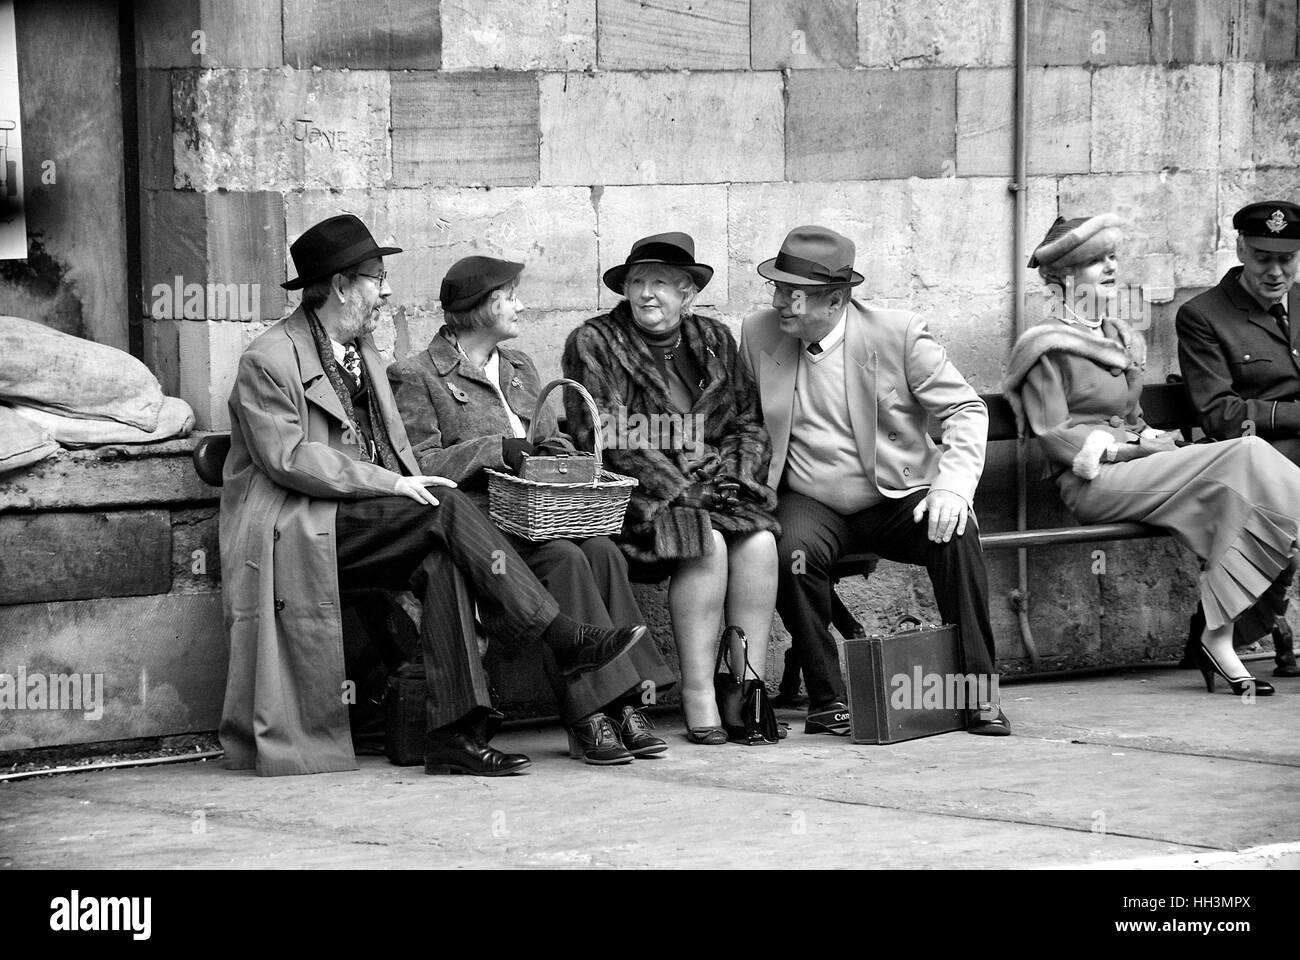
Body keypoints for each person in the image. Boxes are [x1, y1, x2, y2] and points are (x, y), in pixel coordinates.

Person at [220, 214, 648, 777]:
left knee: (442, 552)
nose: (388, 290)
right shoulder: (268, 358)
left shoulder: (363, 352)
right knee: (443, 504)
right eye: (376, 277)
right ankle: (562, 636)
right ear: (341, 286)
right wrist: (394, 482)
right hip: (300, 523)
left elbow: (395, 448)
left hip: (368, 517)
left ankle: (453, 732)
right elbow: (290, 458)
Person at [388, 255, 675, 764]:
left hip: (544, 512)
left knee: (604, 550)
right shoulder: (415, 375)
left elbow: (547, 438)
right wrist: (499, 449)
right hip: (482, 530)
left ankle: (627, 703)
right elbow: (424, 465)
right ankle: (588, 717)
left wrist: (562, 456)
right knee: (565, 558)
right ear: (481, 308)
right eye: (510, 297)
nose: (521, 306)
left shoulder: (520, 367)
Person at [1005, 213, 1300, 699]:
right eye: (1097, 261)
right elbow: (1054, 436)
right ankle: (1220, 634)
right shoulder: (1043, 347)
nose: (1111, 268)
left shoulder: (1120, 336)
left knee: (1240, 496)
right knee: (1246, 453)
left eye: (1113, 257)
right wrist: (1130, 446)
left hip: (1140, 469)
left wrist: (1155, 439)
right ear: (1063, 277)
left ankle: (1218, 640)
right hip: (1092, 482)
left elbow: (1137, 420)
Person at [740, 225, 1009, 737]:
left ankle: (976, 692)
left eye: (791, 294)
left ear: (836, 300)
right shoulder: (758, 334)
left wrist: (952, 487)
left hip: (896, 496)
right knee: (789, 548)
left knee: (955, 531)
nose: (778, 302)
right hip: (812, 501)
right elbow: (746, 423)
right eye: (776, 289)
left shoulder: (898, 334)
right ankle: (827, 699)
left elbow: (966, 410)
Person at [562, 232, 783, 745]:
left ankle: (745, 685)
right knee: (705, 538)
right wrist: (680, 488)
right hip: (640, 500)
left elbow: (747, 423)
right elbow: (604, 434)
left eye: (660, 283)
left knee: (762, 541)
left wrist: (734, 479)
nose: (645, 294)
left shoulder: (714, 339)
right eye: (637, 282)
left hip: (717, 488)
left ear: (688, 294)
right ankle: (699, 692)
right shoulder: (594, 342)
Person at [1175, 200, 1300, 678]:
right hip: (1255, 457)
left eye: (1286, 259)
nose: (1275, 272)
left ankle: (1213, 635)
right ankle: (1216, 634)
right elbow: (1221, 415)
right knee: (1280, 506)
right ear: (1240, 248)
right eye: (1263, 258)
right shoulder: (1204, 315)